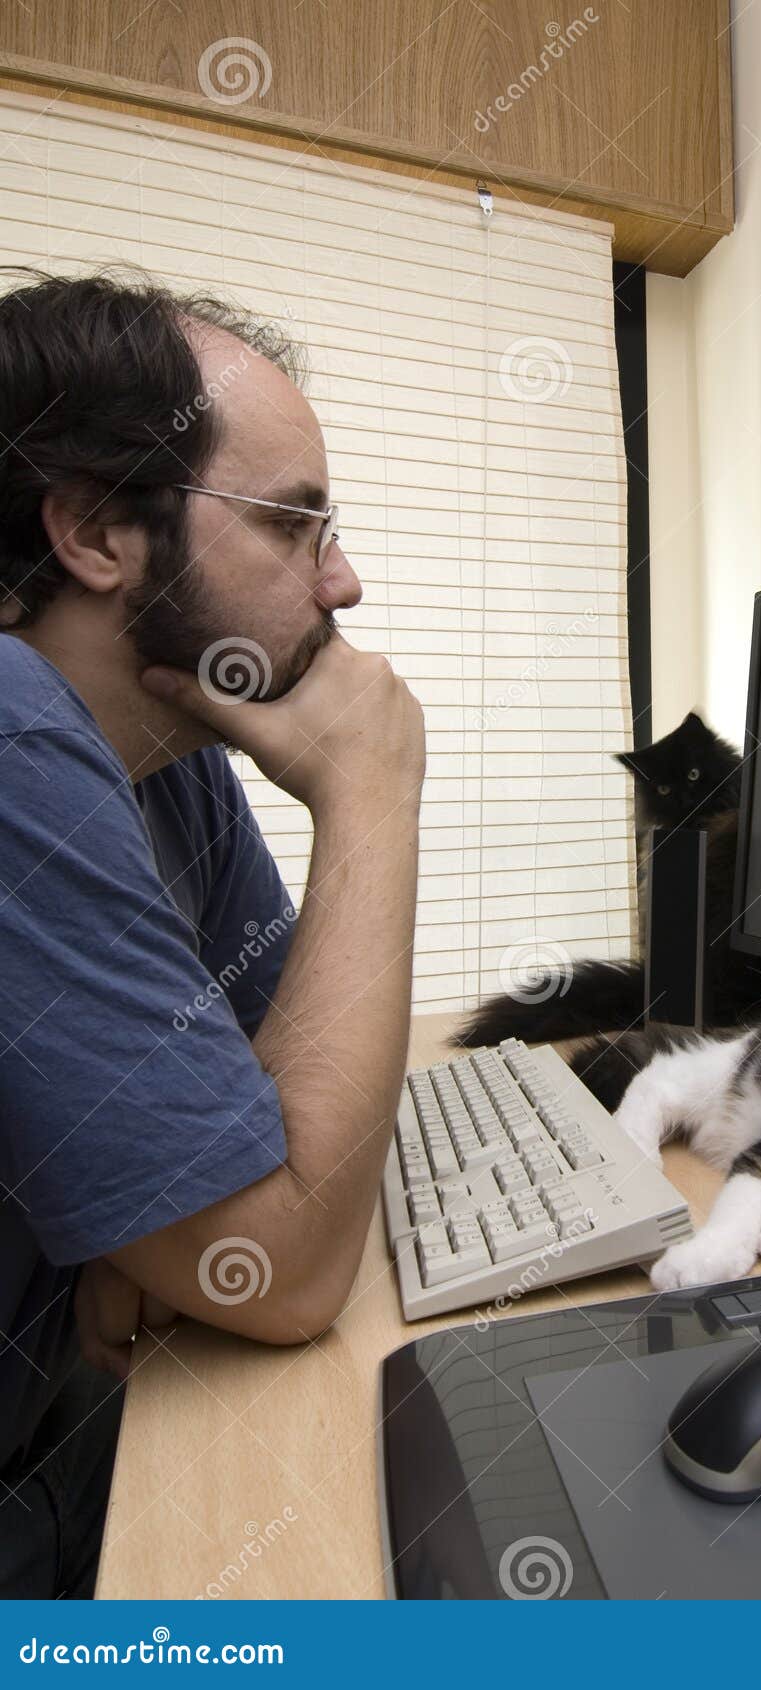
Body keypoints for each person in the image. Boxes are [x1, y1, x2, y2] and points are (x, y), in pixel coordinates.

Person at [0, 268, 426, 1597]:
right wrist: (370, 790)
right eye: (294, 523)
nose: (343, 579)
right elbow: (288, 1264)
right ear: (95, 534)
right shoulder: (13, 742)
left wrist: (184, 1237)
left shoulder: (167, 744)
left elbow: (267, 1108)